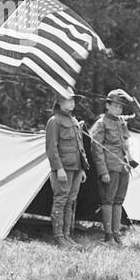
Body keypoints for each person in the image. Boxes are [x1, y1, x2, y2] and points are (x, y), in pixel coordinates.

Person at [89, 89, 140, 245]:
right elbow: (96, 149)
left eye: (121, 107)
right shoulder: (101, 123)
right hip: (110, 167)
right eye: (116, 105)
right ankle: (108, 235)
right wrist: (103, 171)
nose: (119, 109)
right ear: (107, 105)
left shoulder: (121, 121)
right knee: (108, 201)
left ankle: (117, 234)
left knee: (119, 201)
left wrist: (132, 101)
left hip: (123, 167)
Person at [45, 92, 89, 249]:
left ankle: (67, 236)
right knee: (61, 200)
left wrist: (82, 168)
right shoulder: (54, 121)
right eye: (68, 100)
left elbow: (80, 147)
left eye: (73, 101)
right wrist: (59, 169)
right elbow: (51, 148)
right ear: (59, 102)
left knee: (70, 201)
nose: (72, 103)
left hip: (76, 168)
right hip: (63, 168)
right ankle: (58, 237)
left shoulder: (74, 121)